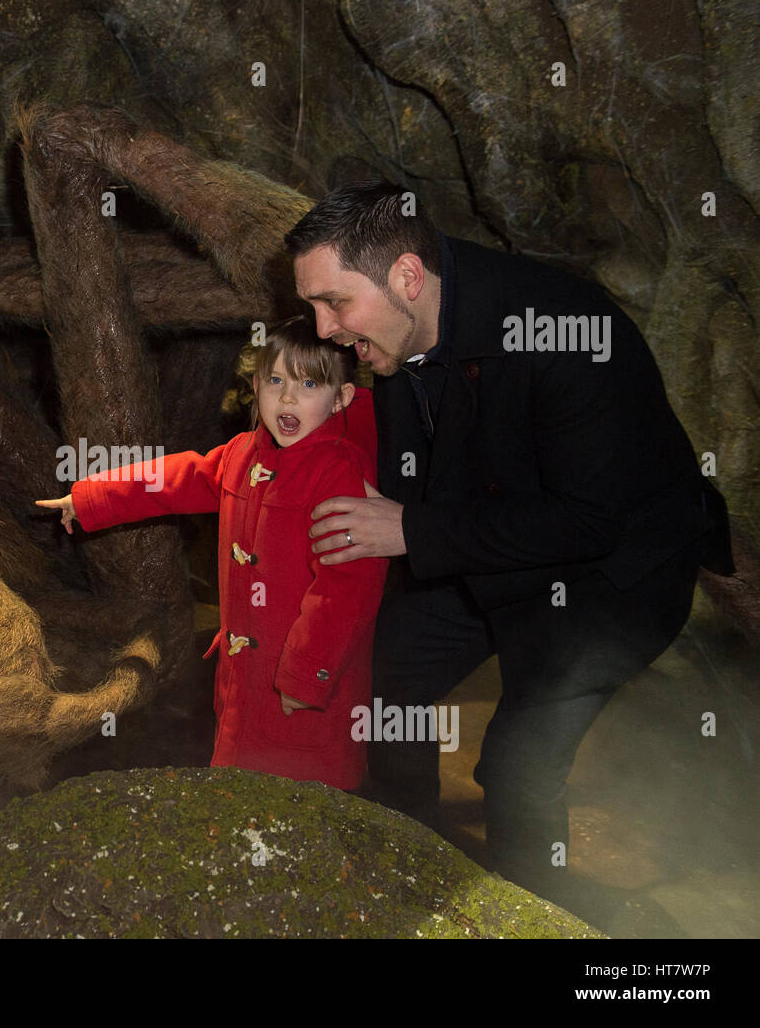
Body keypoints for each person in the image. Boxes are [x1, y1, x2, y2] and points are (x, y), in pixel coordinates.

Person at [285, 180, 732, 900]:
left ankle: (541, 916)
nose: (324, 326)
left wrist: (410, 528)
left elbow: (590, 520)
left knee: (519, 764)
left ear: (406, 274)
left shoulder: (566, 325)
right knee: (386, 672)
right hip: (486, 549)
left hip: (613, 574)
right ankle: (412, 872)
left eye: (334, 302)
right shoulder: (395, 335)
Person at [36, 326, 388, 786]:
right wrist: (88, 500)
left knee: (299, 810)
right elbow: (173, 480)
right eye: (275, 381)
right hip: (244, 681)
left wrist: (308, 675)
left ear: (340, 398)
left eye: (308, 384)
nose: (287, 399)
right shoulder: (241, 455)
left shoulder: (339, 471)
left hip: (302, 692)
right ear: (255, 386)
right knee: (239, 793)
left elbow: (346, 587)